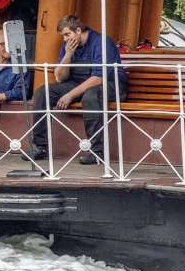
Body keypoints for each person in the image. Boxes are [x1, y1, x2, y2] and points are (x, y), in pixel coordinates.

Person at [28, 14, 128, 165]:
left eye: (67, 34)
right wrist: (68, 56)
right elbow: (60, 78)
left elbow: (99, 78)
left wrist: (70, 95)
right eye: (63, 36)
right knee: (43, 92)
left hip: (112, 84)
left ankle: (96, 151)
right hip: (80, 83)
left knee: (90, 96)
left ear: (79, 30)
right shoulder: (67, 46)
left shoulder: (101, 43)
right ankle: (41, 147)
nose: (65, 39)